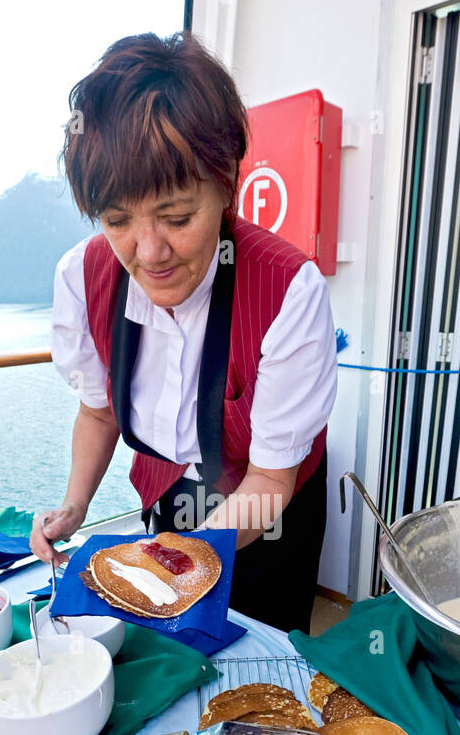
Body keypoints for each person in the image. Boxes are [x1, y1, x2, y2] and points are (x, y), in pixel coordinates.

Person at [29, 31, 337, 633]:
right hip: (168, 491)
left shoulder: (287, 290)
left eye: (176, 217)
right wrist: (74, 506)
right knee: (175, 647)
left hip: (270, 505)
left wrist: (174, 562)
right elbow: (99, 414)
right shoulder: (82, 276)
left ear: (227, 187)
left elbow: (271, 478)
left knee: (261, 659)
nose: (149, 253)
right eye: (117, 220)